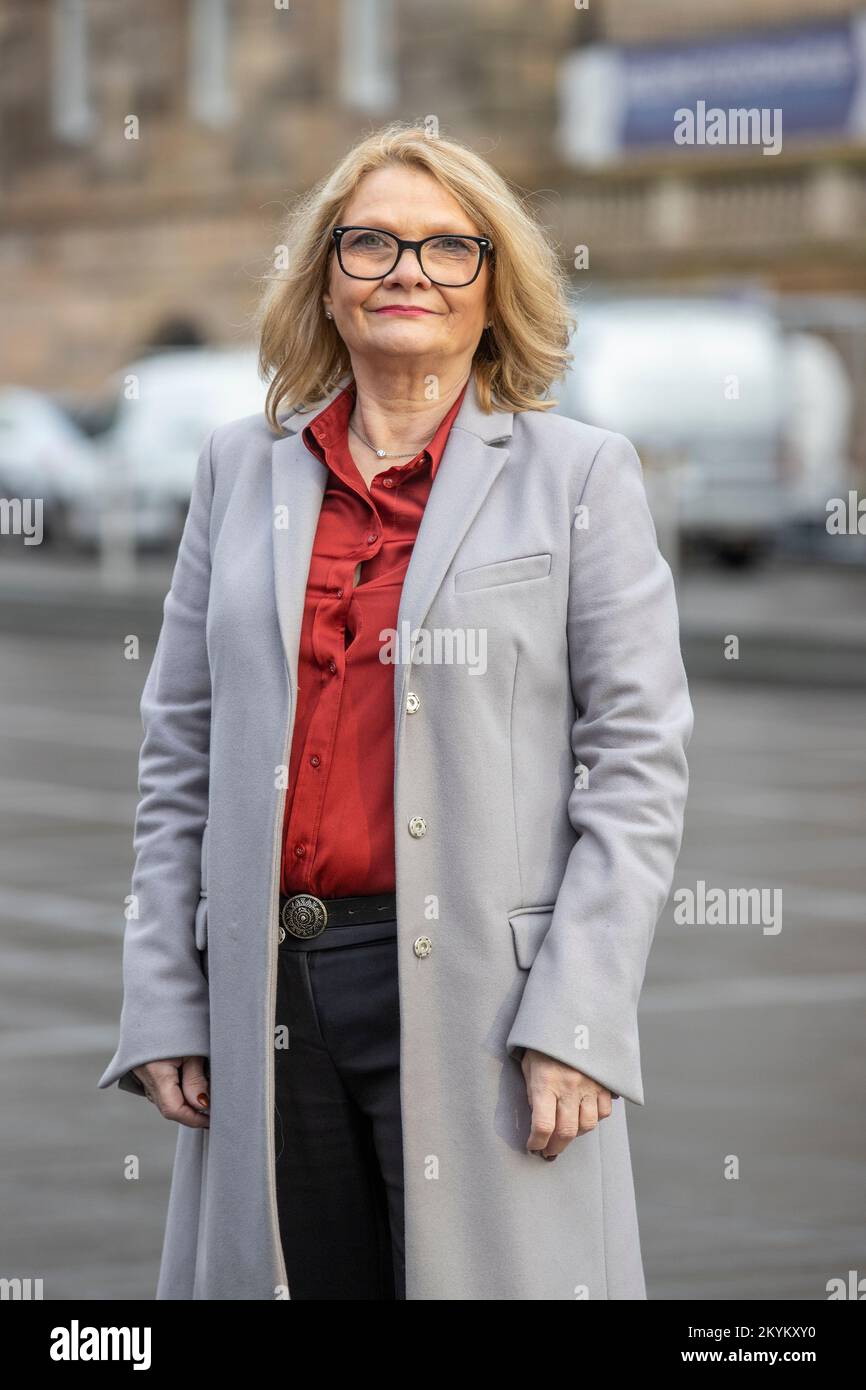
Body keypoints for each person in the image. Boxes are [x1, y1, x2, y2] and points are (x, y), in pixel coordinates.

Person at [98, 122, 694, 1301]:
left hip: (484, 996)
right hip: (266, 988)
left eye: (443, 249)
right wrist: (164, 989)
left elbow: (634, 765)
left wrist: (576, 1014)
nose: (405, 272)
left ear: (491, 285)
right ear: (326, 280)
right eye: (368, 244)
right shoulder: (238, 471)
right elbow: (180, 753)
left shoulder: (577, 475)